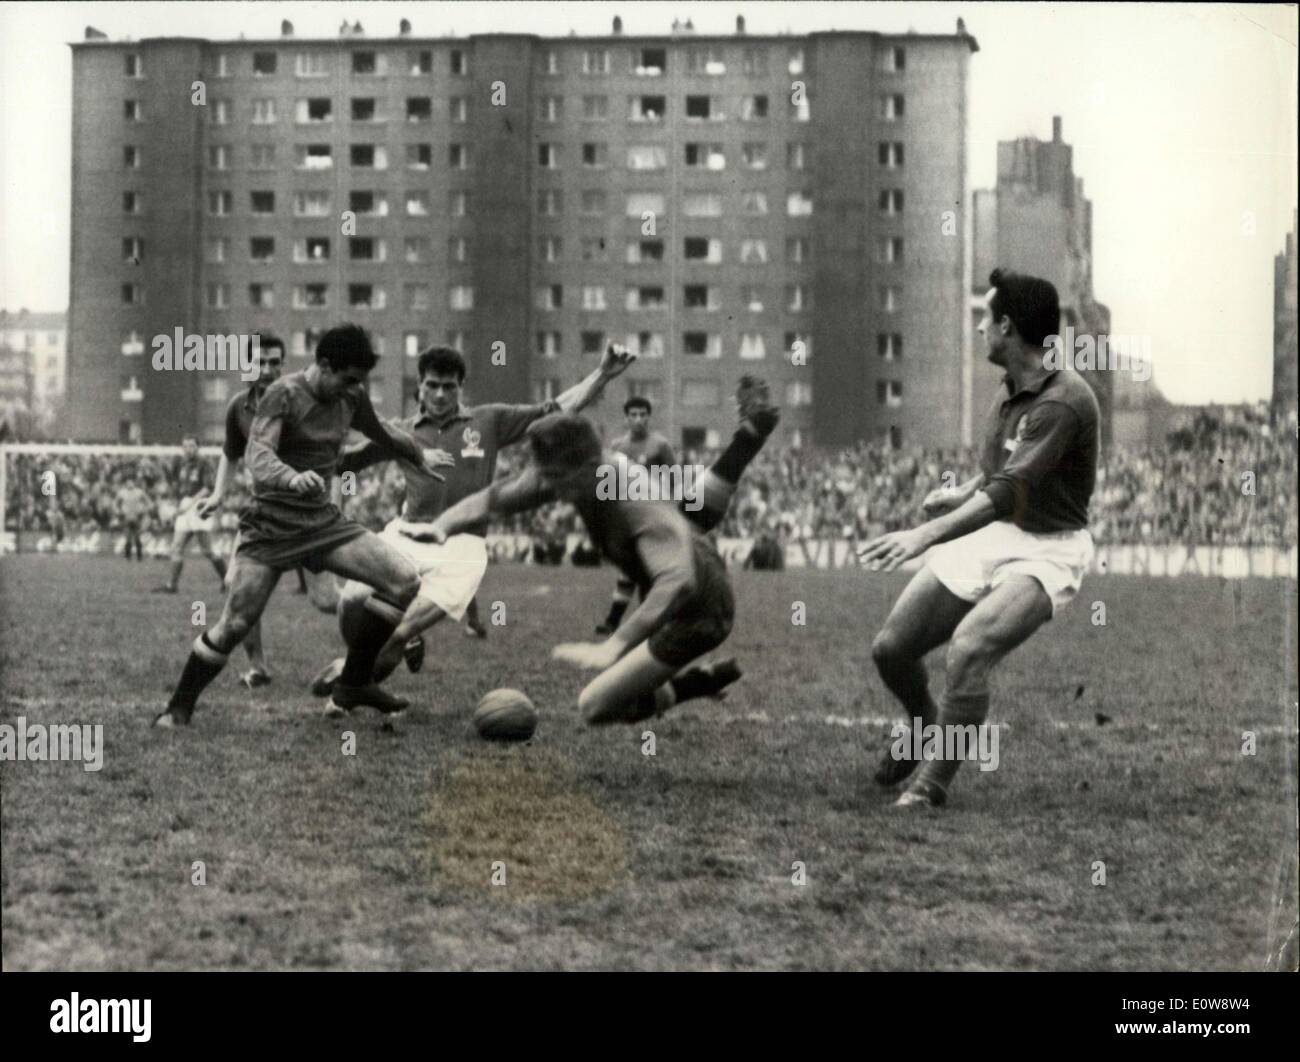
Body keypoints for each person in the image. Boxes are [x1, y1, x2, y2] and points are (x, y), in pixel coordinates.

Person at [859, 269, 1100, 808]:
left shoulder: (1063, 400)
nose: (978, 328)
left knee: (968, 649)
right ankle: (924, 724)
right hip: (997, 530)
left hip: (1048, 549)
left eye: (984, 318)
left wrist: (924, 534)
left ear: (1007, 327)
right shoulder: (1009, 387)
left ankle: (930, 787)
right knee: (891, 650)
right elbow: (1005, 472)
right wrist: (966, 491)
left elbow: (1012, 489)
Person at [153, 323, 451, 727]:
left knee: (403, 580)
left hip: (321, 522)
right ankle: (178, 708)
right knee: (235, 624)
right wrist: (291, 478)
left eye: (359, 381)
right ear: (324, 366)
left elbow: (382, 432)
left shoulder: (351, 395)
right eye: (348, 379)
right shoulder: (282, 394)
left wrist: (418, 454)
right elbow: (258, 456)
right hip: (271, 527)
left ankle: (354, 683)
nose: (354, 388)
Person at [309, 341, 636, 696]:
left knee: (398, 634)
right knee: (352, 600)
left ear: (460, 388)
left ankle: (351, 681)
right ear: (420, 386)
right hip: (407, 535)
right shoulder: (399, 431)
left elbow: (557, 408)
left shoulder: (488, 420)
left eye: (449, 386)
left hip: (463, 547)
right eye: (432, 385)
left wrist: (602, 374)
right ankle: (361, 666)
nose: (440, 394)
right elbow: (343, 463)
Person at [411, 413, 742, 726]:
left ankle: (691, 685)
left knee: (596, 706)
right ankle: (695, 679)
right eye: (546, 476)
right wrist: (442, 526)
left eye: (558, 480)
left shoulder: (630, 495)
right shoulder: (570, 472)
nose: (550, 489)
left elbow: (678, 581)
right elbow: (494, 499)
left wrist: (614, 644)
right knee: (620, 690)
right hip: (661, 582)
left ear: (591, 467)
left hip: (701, 604)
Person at [196, 334, 339, 689]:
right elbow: (230, 454)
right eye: (258, 362)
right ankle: (258, 668)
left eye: (274, 362)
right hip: (264, 517)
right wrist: (217, 495)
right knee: (238, 591)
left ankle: (387, 625)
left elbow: (335, 461)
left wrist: (336, 500)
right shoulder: (238, 407)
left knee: (326, 600)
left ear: (283, 365)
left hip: (307, 516)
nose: (267, 369)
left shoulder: (302, 402)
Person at [595, 396, 676, 635]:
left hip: (653, 513)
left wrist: (674, 509)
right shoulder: (617, 446)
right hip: (626, 515)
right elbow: (607, 484)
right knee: (631, 568)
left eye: (643, 415)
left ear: (649, 417)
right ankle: (624, 621)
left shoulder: (660, 445)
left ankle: (618, 621)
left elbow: (676, 479)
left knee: (646, 567)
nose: (638, 419)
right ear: (626, 418)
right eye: (634, 415)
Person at [152, 434, 226, 593]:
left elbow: (207, 487)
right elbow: (174, 483)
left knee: (207, 550)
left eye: (192, 446)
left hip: (199, 506)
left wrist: (191, 503)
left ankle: (228, 581)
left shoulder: (204, 463)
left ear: (198, 447)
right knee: (176, 547)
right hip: (184, 506)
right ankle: (172, 585)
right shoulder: (180, 463)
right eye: (185, 446)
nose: (188, 449)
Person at [114, 475, 152, 561]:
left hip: (137, 517)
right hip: (126, 517)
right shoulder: (122, 492)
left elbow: (149, 502)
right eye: (128, 482)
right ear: (125, 483)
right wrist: (118, 511)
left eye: (131, 482)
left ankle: (139, 556)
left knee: (137, 536)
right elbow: (115, 503)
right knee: (128, 536)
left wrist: (144, 510)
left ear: (134, 483)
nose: (130, 484)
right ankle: (128, 556)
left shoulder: (139, 492)